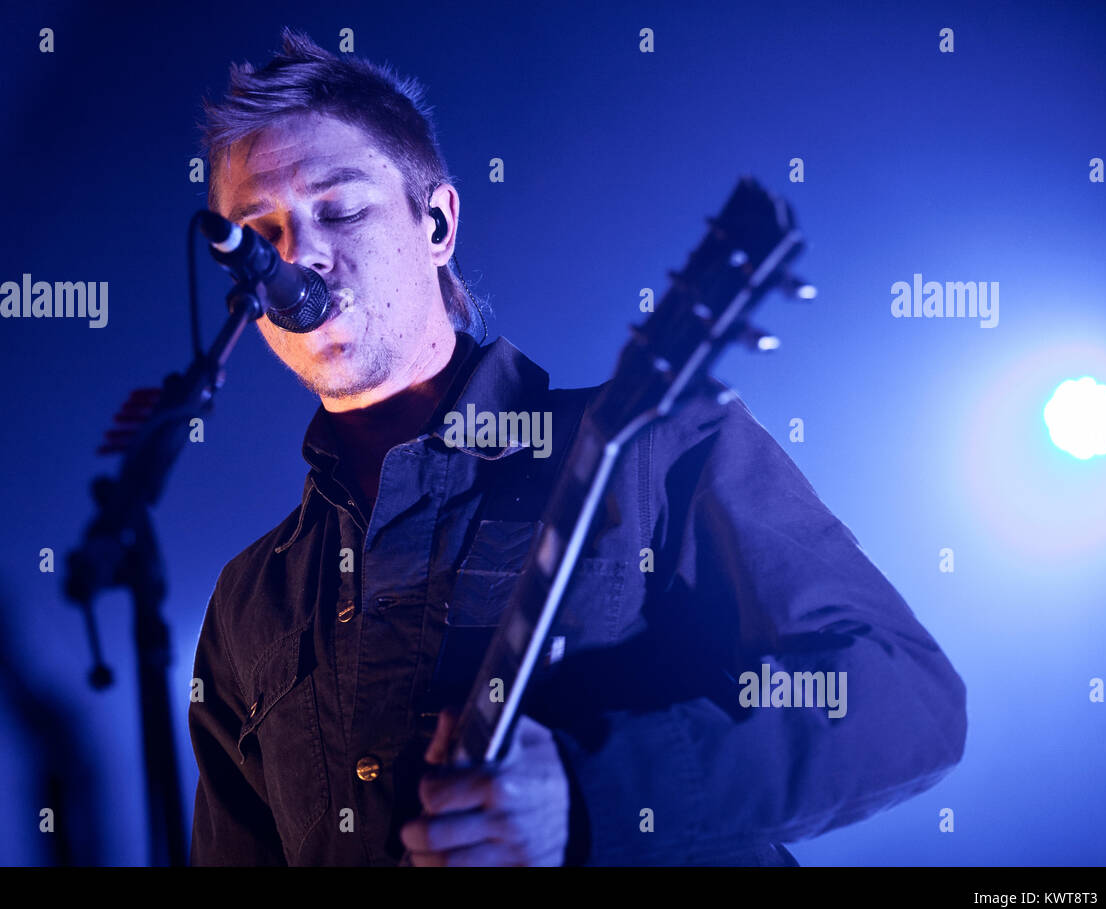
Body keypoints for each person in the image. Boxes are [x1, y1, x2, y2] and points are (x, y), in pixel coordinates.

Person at [187, 27, 967, 866]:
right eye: (261, 240)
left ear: (438, 221)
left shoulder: (653, 443)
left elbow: (905, 699)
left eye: (340, 209)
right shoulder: (248, 602)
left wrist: (593, 794)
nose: (299, 258)